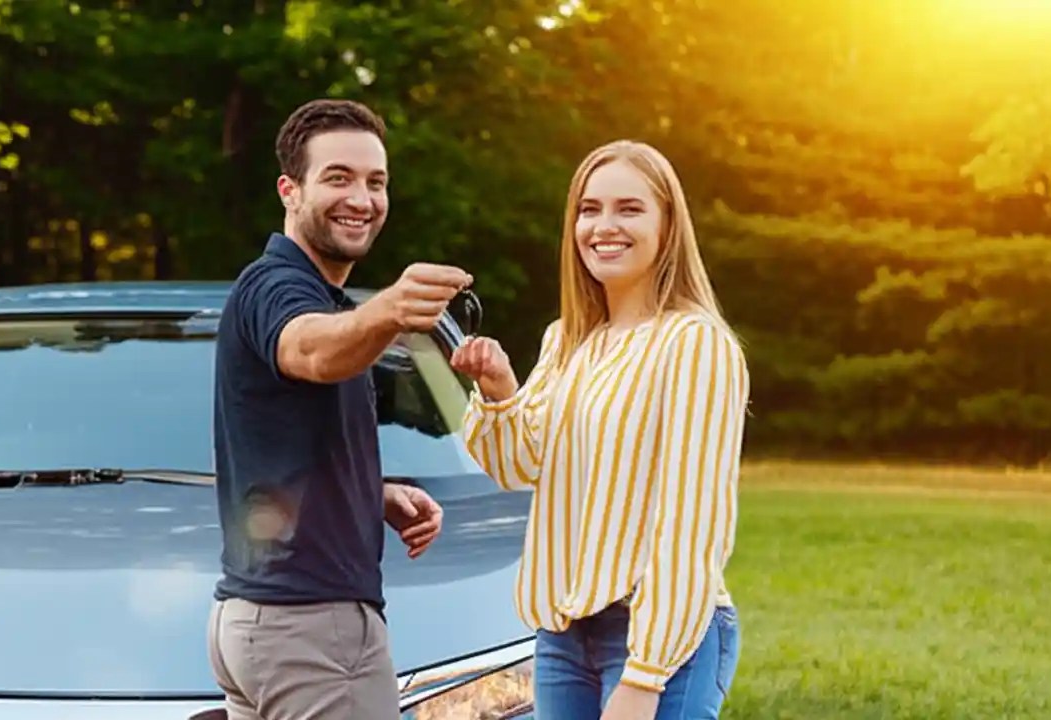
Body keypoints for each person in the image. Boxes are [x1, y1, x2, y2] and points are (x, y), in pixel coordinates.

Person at [451, 140, 749, 720]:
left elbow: (691, 523)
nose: (603, 226)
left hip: (659, 636)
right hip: (563, 635)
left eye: (629, 209)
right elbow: (518, 464)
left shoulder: (694, 344)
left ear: (668, 226)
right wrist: (499, 389)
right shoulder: (567, 340)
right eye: (589, 209)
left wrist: (645, 676)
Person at [207, 98, 473, 720]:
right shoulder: (277, 286)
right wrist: (391, 307)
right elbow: (311, 352)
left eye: (375, 182)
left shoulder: (324, 296)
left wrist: (367, 492)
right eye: (338, 178)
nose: (362, 197)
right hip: (310, 630)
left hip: (258, 622)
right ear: (289, 190)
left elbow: (277, 435)